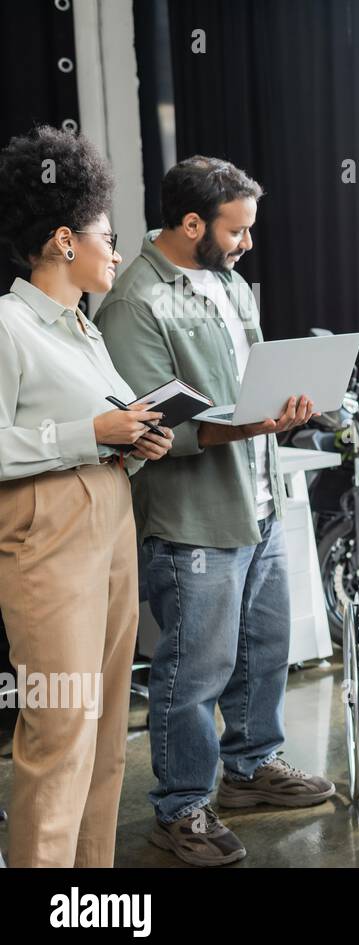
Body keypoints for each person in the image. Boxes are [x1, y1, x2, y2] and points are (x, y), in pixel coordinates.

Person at [95, 156, 331, 867]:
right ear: (191, 223)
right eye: (237, 230)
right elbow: (152, 428)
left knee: (265, 649)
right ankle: (180, 807)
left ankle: (252, 767)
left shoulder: (227, 283)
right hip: (193, 517)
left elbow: (254, 376)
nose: (247, 245)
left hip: (258, 500)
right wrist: (251, 424)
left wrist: (289, 401)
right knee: (192, 672)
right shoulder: (134, 301)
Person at [0, 126, 173, 867]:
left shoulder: (83, 329)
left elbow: (92, 434)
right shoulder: (8, 325)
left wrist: (128, 444)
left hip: (107, 520)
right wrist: (88, 431)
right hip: (48, 537)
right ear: (66, 240)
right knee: (61, 726)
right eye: (107, 235)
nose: (117, 249)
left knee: (106, 730)